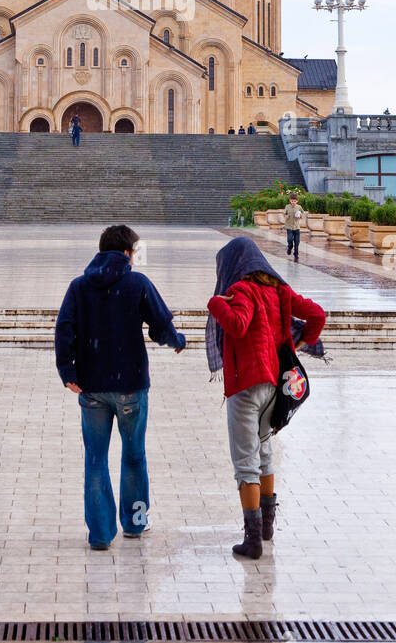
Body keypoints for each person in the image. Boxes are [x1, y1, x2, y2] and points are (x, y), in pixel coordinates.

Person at [55, 224, 186, 551]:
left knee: (95, 459)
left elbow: (63, 330)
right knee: (134, 455)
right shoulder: (136, 282)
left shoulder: (79, 287)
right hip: (130, 384)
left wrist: (67, 371)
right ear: (127, 253)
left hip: (92, 387)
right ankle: (135, 523)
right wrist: (176, 341)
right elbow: (160, 324)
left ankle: (100, 533)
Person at [206, 236, 326, 559]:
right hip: (274, 384)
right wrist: (300, 345)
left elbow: (237, 324)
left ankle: (253, 539)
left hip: (246, 386)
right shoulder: (279, 290)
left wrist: (216, 303)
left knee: (245, 461)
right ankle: (268, 526)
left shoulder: (242, 291)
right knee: (264, 452)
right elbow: (317, 314)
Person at [282, 192, 303, 262]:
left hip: (297, 227)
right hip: (289, 227)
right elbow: (284, 213)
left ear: (297, 201)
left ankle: (296, 254)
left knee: (297, 241)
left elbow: (303, 213)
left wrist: (300, 216)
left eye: (294, 201)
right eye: (292, 201)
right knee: (290, 239)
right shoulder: (287, 206)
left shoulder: (299, 207)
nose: (293, 202)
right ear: (290, 200)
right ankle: (289, 247)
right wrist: (286, 216)